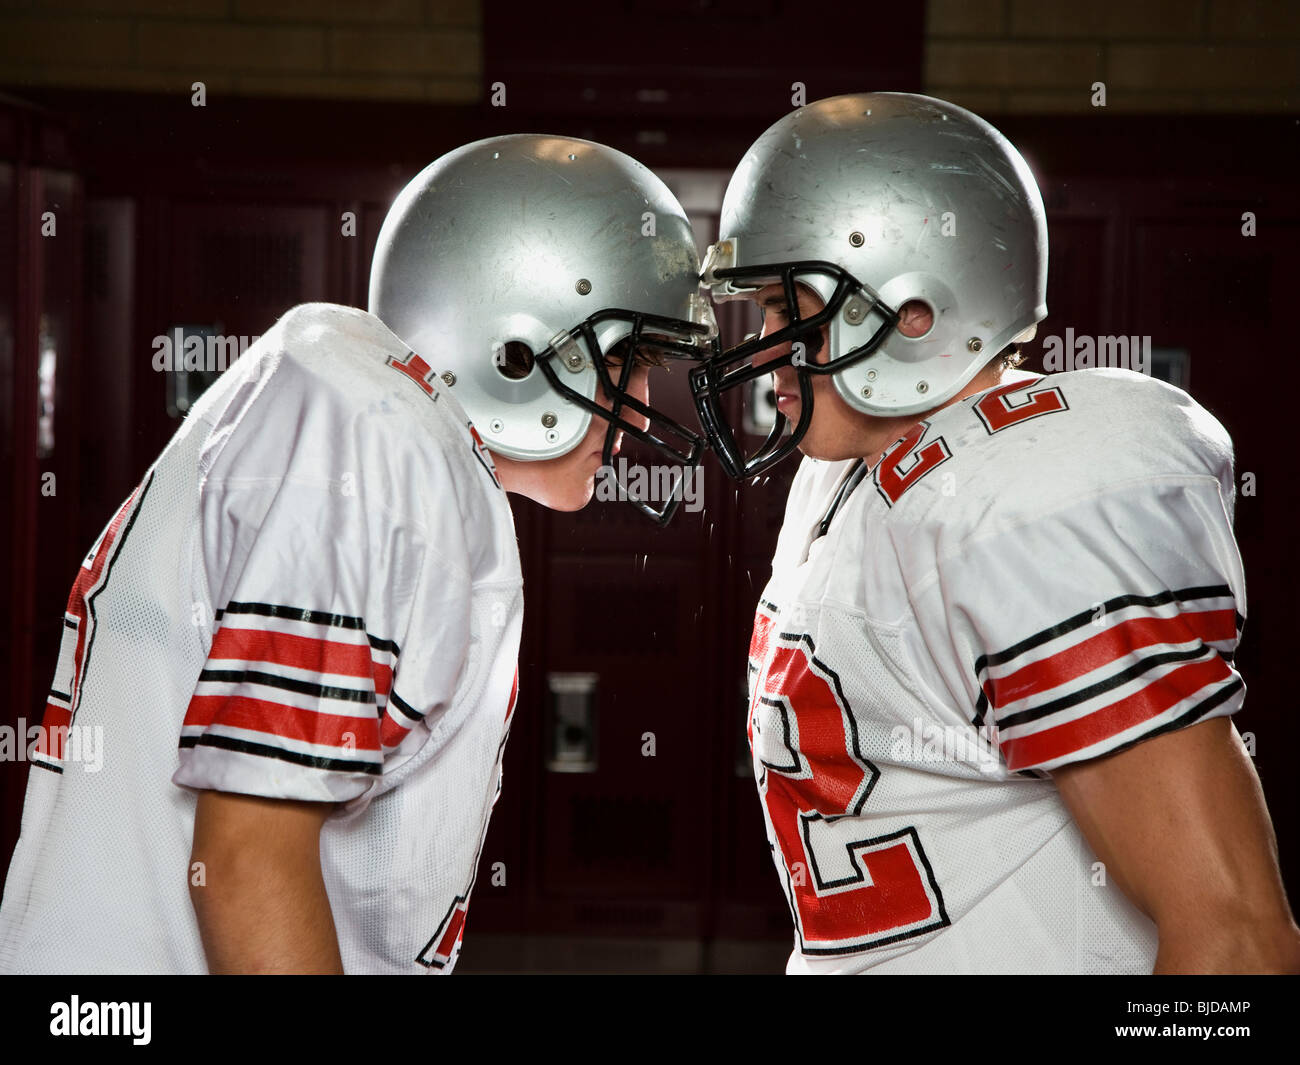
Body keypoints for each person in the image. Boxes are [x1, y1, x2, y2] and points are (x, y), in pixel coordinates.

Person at [0, 133, 714, 974]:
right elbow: (245, 861)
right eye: (622, 361)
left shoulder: (373, 415)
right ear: (514, 348)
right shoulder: (381, 448)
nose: (636, 408)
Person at [690, 92, 1300, 973]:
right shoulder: (839, 473)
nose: (764, 344)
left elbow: (1238, 939)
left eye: (792, 310)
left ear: (913, 312)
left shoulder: (1038, 495)